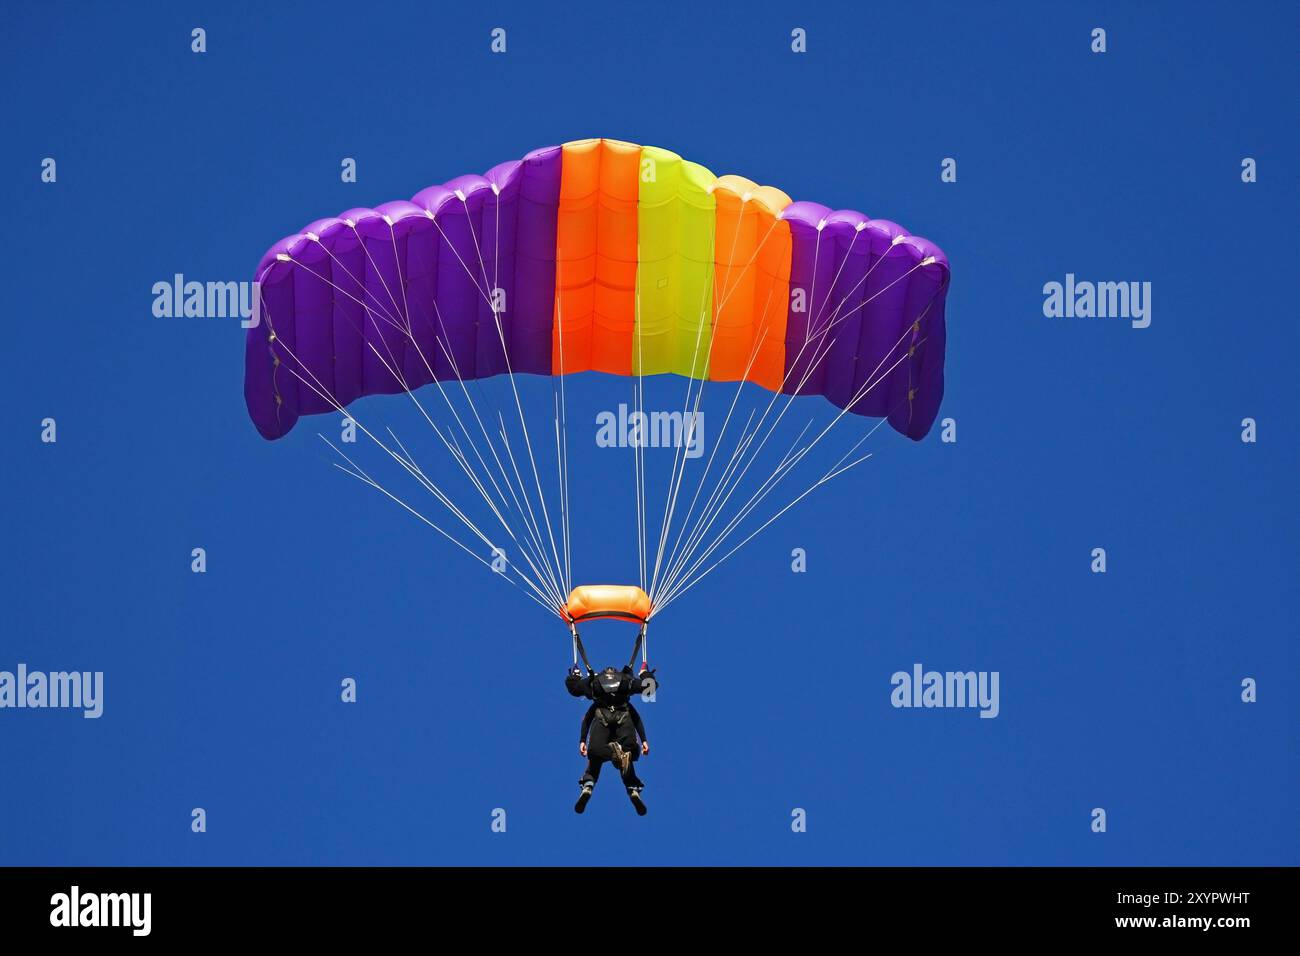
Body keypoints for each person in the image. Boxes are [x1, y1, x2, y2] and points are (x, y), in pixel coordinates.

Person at [566, 664, 655, 815]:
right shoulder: (627, 681)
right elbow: (650, 689)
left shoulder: (594, 683)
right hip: (624, 717)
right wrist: (645, 674)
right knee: (627, 754)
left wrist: (575, 675)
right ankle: (632, 786)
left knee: (595, 755)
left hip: (601, 717)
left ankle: (588, 784)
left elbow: (574, 691)